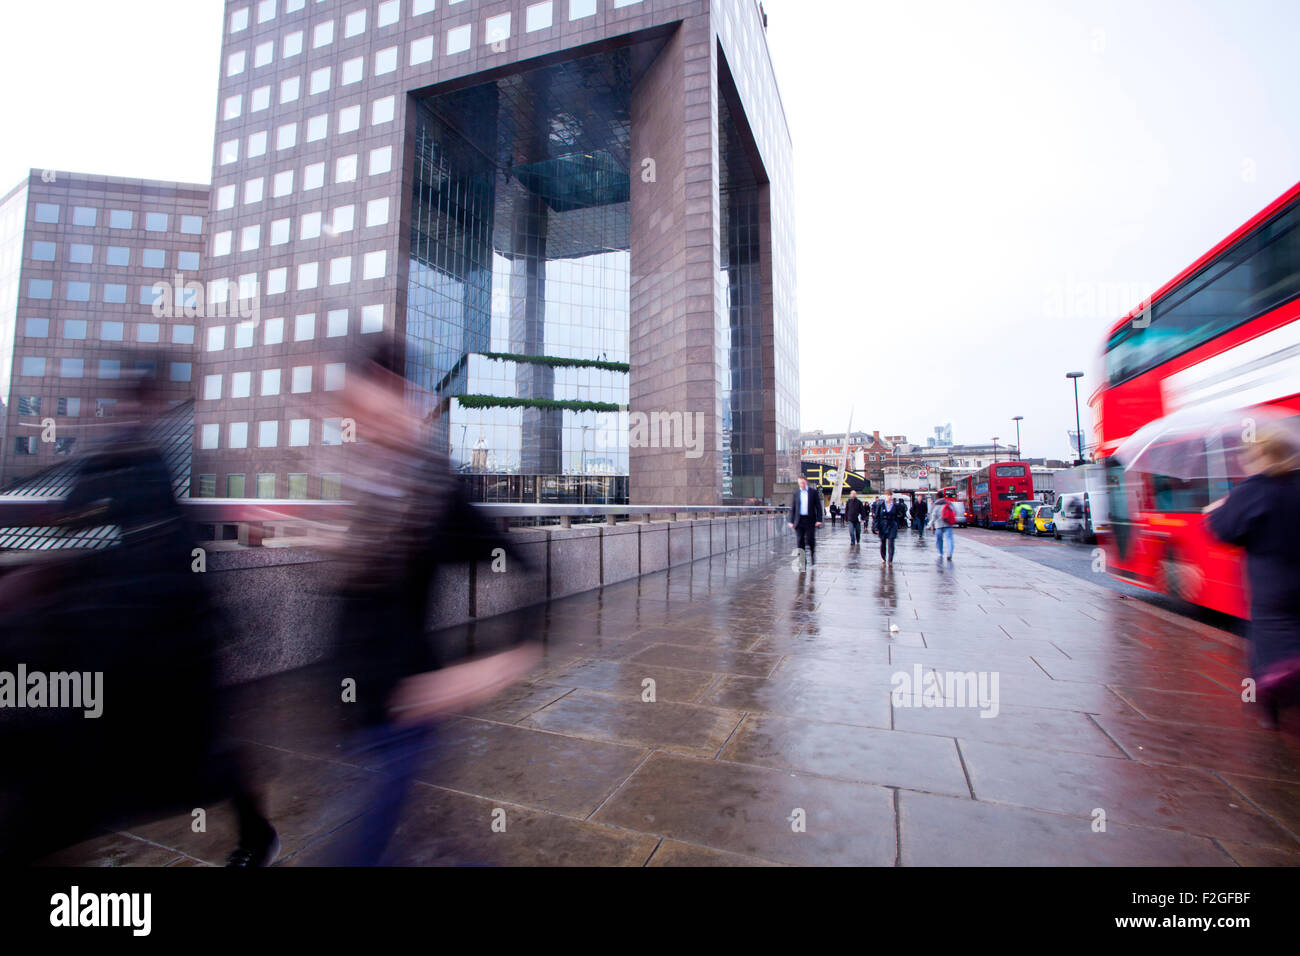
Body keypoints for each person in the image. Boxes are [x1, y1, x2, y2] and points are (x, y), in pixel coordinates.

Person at [323, 344, 541, 864]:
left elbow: (523, 566)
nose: (356, 426)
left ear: (404, 400)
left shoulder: (432, 492)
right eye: (350, 414)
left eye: (368, 411)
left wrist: (494, 664)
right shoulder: (369, 485)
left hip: (404, 709)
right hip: (360, 714)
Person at [1205, 420, 1300, 730]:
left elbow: (1224, 529)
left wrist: (1218, 509)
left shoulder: (1255, 489)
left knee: (1270, 638)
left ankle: (1272, 698)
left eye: (1249, 454)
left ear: (1262, 454)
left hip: (1272, 586)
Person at [788, 476, 824, 569]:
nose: (802, 485)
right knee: (800, 541)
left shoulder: (813, 492)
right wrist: (791, 521)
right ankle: (802, 561)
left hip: (810, 520)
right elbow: (793, 508)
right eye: (800, 483)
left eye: (803, 483)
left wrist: (819, 520)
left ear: (806, 482)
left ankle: (812, 556)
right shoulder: (796, 493)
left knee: (810, 540)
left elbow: (818, 507)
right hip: (799, 521)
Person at [871, 490, 908, 565]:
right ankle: (883, 557)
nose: (889, 497)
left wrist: (897, 522)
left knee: (891, 542)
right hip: (882, 525)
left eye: (890, 495)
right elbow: (876, 517)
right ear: (885, 496)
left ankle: (890, 559)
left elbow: (900, 513)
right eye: (888, 495)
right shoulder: (880, 505)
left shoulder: (895, 505)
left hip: (892, 525)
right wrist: (876, 528)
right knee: (883, 542)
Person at [930, 494, 957, 561]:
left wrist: (931, 524)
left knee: (939, 540)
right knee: (949, 539)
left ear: (937, 497)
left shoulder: (935, 505)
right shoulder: (949, 503)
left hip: (938, 525)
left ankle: (940, 553)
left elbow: (933, 515)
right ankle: (949, 554)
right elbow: (955, 511)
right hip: (948, 524)